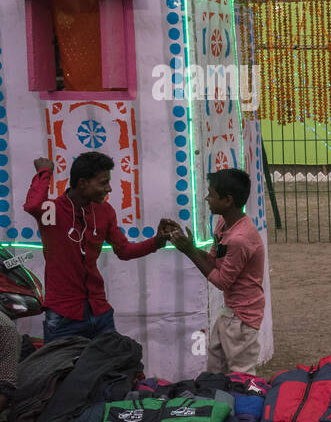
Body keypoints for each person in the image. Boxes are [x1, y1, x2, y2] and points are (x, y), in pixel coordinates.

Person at [24, 153, 178, 342]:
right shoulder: (52, 210)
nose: (109, 189)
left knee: (113, 370)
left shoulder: (105, 211)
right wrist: (44, 172)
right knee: (62, 372)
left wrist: (157, 241)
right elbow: (32, 205)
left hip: (100, 313)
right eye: (103, 183)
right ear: (82, 183)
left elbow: (124, 251)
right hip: (63, 316)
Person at [169, 169, 266, 374]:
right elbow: (213, 260)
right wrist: (190, 247)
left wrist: (189, 251)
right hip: (232, 311)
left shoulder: (240, 238)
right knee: (216, 369)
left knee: (242, 376)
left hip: (242, 316)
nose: (207, 198)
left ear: (227, 200)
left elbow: (222, 281)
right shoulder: (224, 223)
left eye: (212, 194)